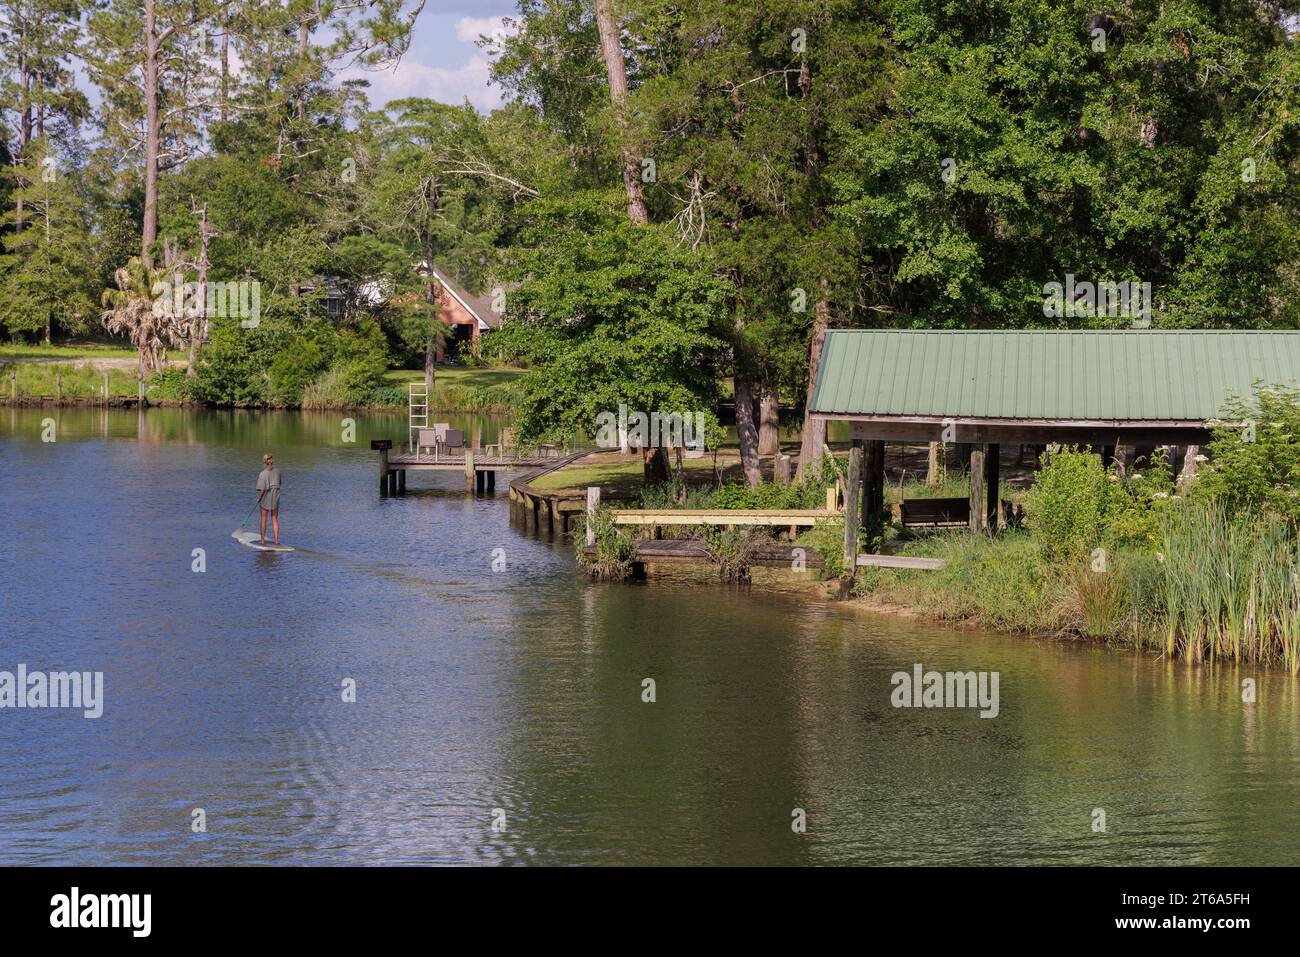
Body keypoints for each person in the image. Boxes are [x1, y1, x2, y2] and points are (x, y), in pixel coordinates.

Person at [256, 453, 282, 545]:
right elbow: (279, 483)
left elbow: (262, 489)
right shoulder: (278, 471)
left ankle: (262, 541)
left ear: (264, 462)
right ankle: (276, 541)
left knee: (263, 518)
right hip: (276, 496)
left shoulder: (263, 474)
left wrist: (259, 499)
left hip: (266, 497)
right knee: (275, 518)